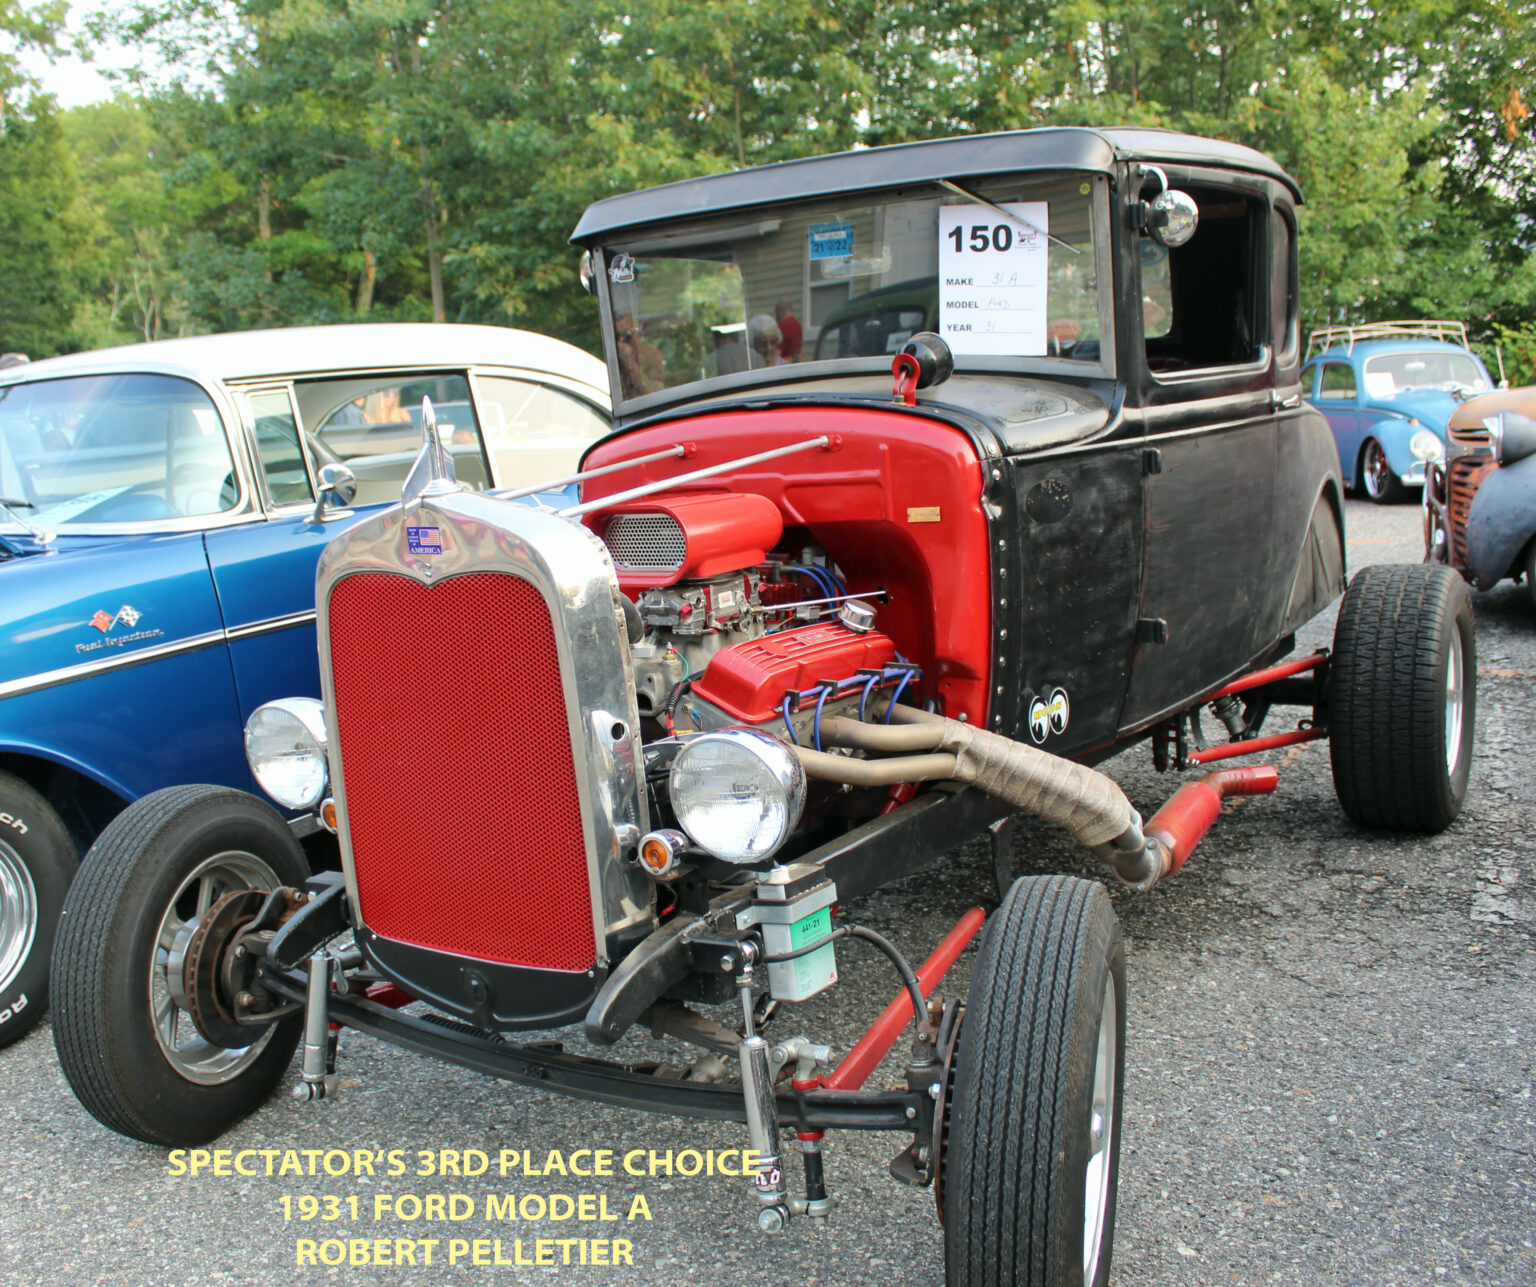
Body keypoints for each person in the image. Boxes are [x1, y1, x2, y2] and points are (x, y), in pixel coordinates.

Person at [614, 313, 666, 398]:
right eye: (617, 336)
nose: (621, 340)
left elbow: (655, 394)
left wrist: (631, 364)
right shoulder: (612, 358)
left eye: (627, 335)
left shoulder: (652, 355)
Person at [774, 298, 803, 362]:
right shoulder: (797, 324)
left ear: (780, 311)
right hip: (797, 361)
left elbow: (777, 351)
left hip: (786, 363)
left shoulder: (783, 326)